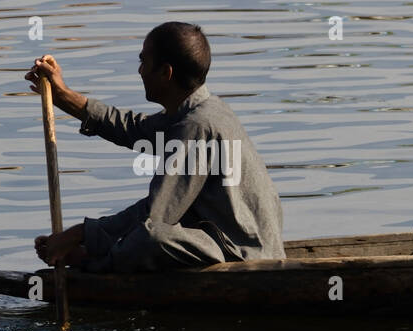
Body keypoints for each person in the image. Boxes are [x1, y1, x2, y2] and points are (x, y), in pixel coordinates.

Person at [25, 21, 284, 273]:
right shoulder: (197, 112)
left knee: (151, 237)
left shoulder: (196, 126)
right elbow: (130, 128)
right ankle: (92, 254)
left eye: (143, 62)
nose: (139, 71)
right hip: (234, 241)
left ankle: (87, 262)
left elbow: (156, 214)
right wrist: (62, 95)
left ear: (165, 73)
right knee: (149, 232)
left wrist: (80, 235)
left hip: (242, 253)